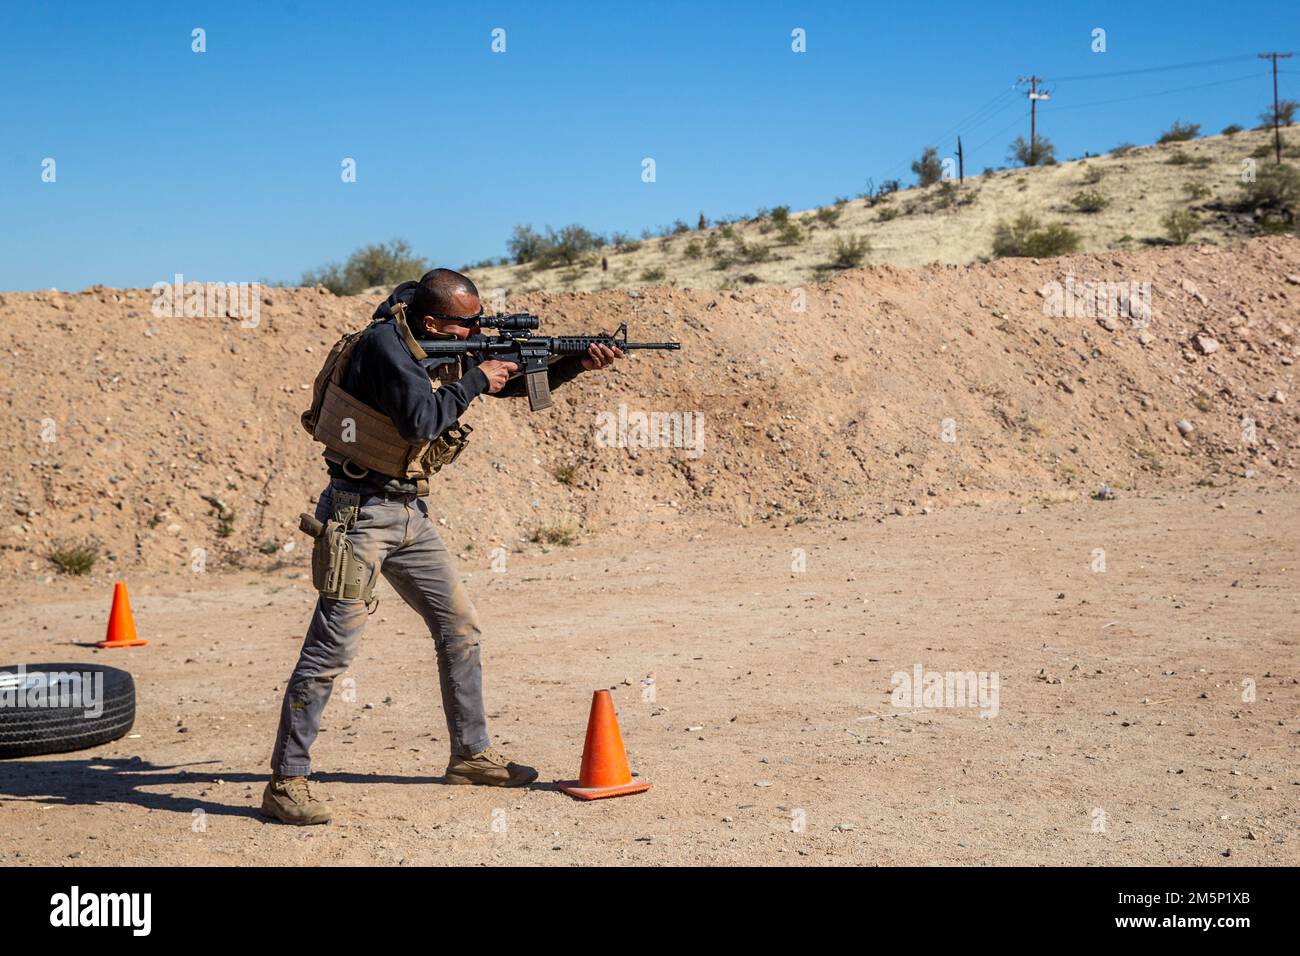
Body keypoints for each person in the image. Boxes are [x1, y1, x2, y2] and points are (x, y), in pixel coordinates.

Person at [262, 268, 622, 825]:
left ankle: (471, 756)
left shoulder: (423, 339)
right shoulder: (386, 346)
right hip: (360, 518)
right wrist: (479, 377)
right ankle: (287, 781)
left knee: (459, 628)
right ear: (433, 321)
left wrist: (573, 362)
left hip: (407, 512)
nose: (476, 332)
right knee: (329, 654)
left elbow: (515, 385)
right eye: (468, 324)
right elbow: (423, 421)